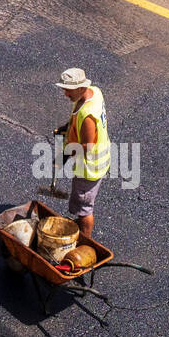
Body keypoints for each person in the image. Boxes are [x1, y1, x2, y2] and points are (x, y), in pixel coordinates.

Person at [55, 67, 110, 237]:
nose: (65, 93)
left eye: (68, 90)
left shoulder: (87, 117)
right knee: (82, 202)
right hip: (97, 157)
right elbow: (75, 114)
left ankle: (85, 243)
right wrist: (68, 126)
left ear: (80, 88)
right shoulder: (93, 92)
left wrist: (63, 155)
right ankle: (80, 228)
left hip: (89, 167)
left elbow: (87, 146)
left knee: (84, 207)